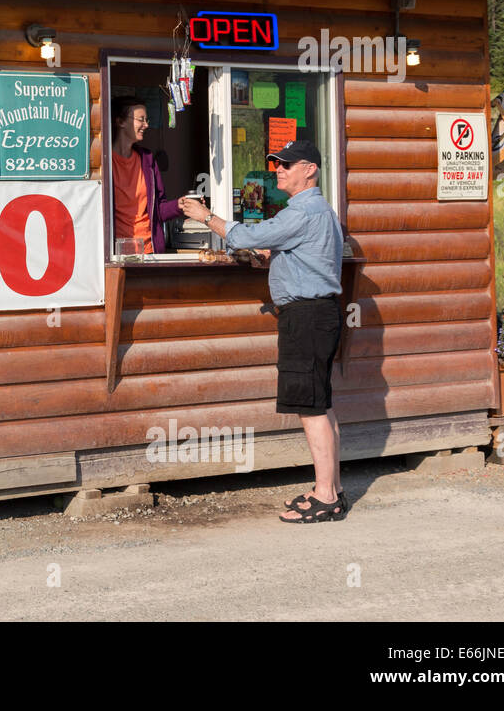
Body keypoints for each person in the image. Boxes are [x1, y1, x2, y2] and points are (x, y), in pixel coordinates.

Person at [177, 139, 348, 524]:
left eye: (287, 164)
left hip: (306, 317)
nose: (279, 170)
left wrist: (207, 216)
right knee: (321, 403)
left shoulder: (303, 211)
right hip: (318, 314)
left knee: (311, 408)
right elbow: (299, 253)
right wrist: (274, 259)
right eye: (276, 164)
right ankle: (331, 490)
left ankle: (325, 497)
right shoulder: (319, 211)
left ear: (310, 169)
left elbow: (245, 237)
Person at [111, 96, 181, 254]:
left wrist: (180, 205)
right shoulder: (104, 162)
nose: (146, 125)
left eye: (147, 120)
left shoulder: (147, 160)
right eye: (141, 119)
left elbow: (159, 210)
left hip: (150, 251)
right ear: (120, 122)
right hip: (116, 254)